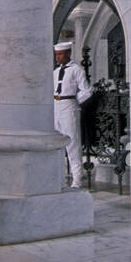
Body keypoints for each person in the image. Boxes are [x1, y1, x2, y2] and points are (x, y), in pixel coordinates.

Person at [53, 41, 91, 189]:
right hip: (56, 106)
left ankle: (77, 179)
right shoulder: (55, 72)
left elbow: (86, 90)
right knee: (56, 143)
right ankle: (58, 176)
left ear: (68, 53)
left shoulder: (77, 70)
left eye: (60, 54)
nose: (58, 58)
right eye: (56, 55)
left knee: (72, 143)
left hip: (69, 106)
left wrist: (75, 100)